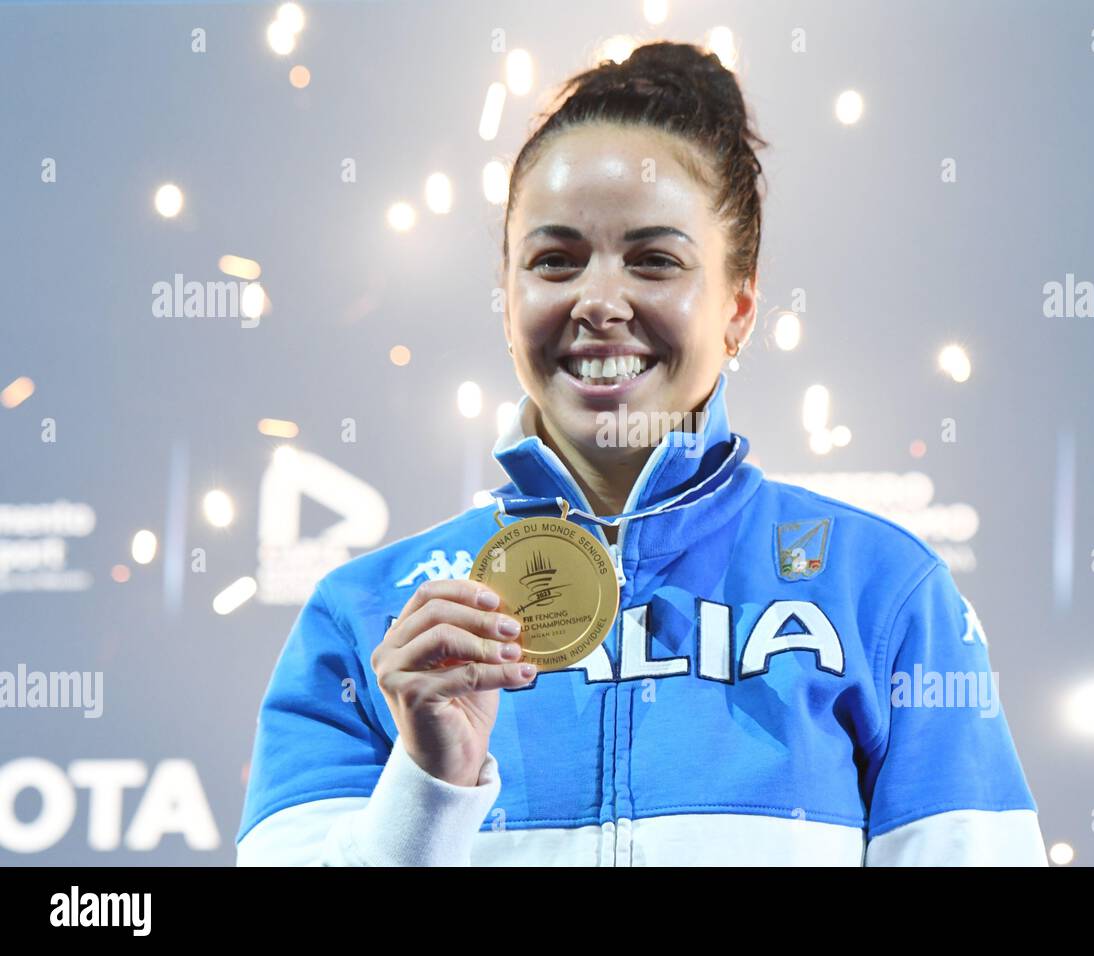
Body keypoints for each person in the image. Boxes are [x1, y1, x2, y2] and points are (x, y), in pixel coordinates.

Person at [236, 40, 1047, 866]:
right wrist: (428, 789)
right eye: (555, 262)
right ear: (507, 297)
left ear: (739, 306)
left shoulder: (881, 592)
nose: (599, 301)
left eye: (655, 261)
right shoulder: (367, 618)